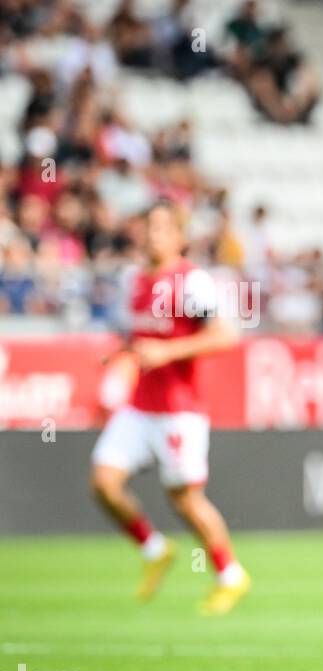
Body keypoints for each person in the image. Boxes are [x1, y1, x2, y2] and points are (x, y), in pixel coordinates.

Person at [90, 201, 250, 614]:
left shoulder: (191, 283)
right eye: (148, 226)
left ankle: (230, 574)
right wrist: (124, 353)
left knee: (184, 499)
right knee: (104, 482)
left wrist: (167, 352)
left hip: (180, 409)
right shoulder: (136, 281)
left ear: (180, 237)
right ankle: (154, 547)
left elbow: (225, 335)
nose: (152, 234)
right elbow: (142, 337)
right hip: (140, 405)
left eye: (162, 227)